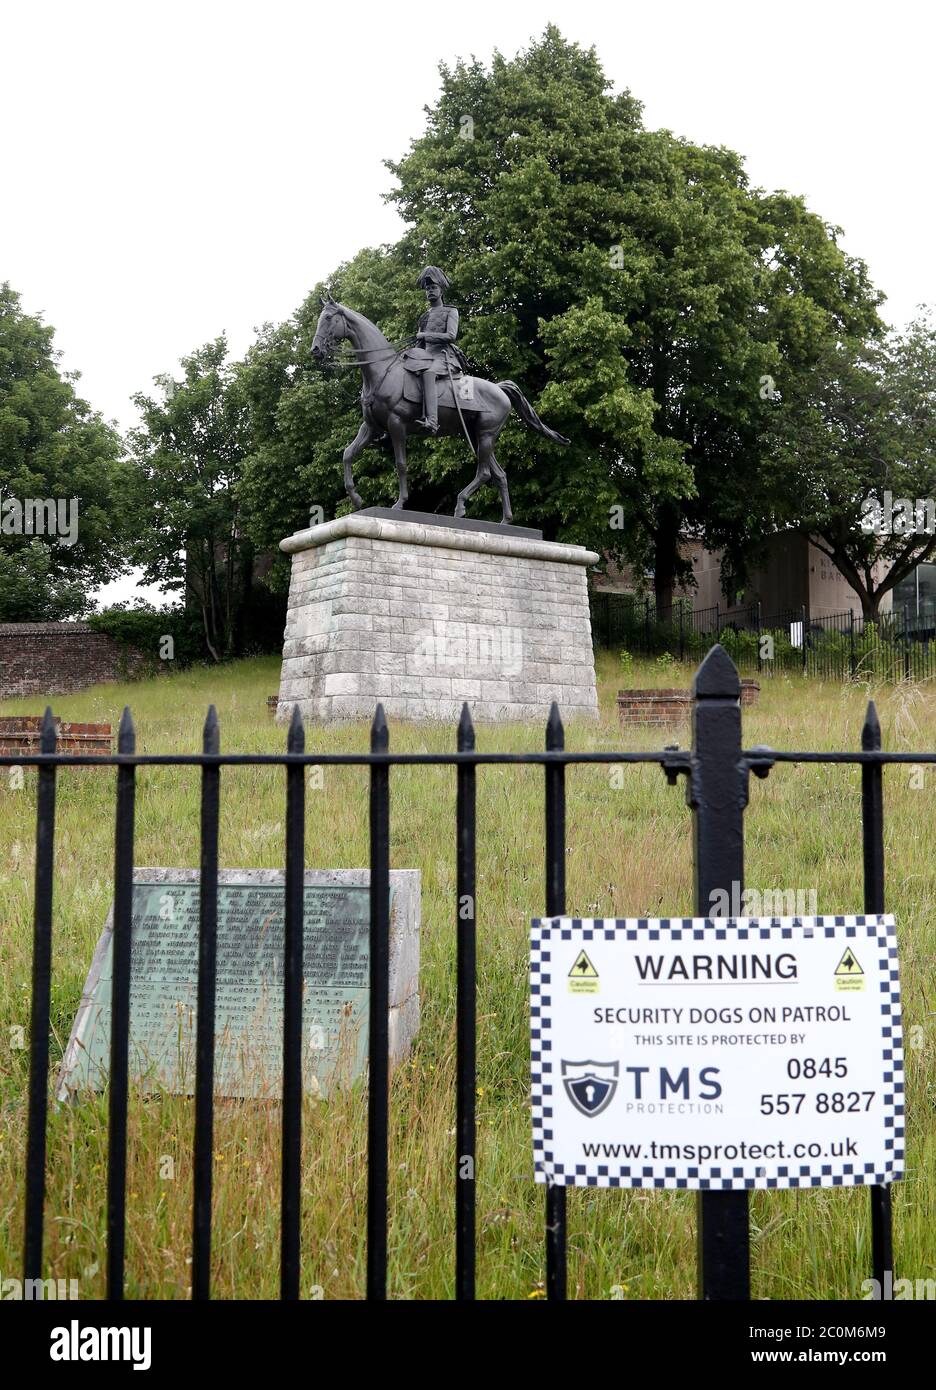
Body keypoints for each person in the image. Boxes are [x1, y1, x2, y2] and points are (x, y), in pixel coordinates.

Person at [407, 266, 464, 432]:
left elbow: (451, 336)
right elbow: (420, 343)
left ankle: (432, 421)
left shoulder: (451, 311)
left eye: (433, 288)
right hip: (426, 356)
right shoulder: (424, 316)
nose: (430, 291)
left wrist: (425, 335)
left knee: (428, 373)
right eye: (428, 289)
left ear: (441, 290)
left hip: (444, 357)